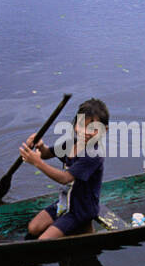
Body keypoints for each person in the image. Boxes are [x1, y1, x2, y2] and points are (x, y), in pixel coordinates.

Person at [20, 98, 109, 239]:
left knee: (43, 240)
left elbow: (65, 178)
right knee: (33, 228)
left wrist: (37, 163)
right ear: (75, 126)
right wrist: (40, 146)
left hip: (81, 209)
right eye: (82, 126)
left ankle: (82, 227)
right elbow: (46, 154)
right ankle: (73, 227)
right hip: (66, 201)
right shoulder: (71, 144)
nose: (86, 132)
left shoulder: (93, 155)